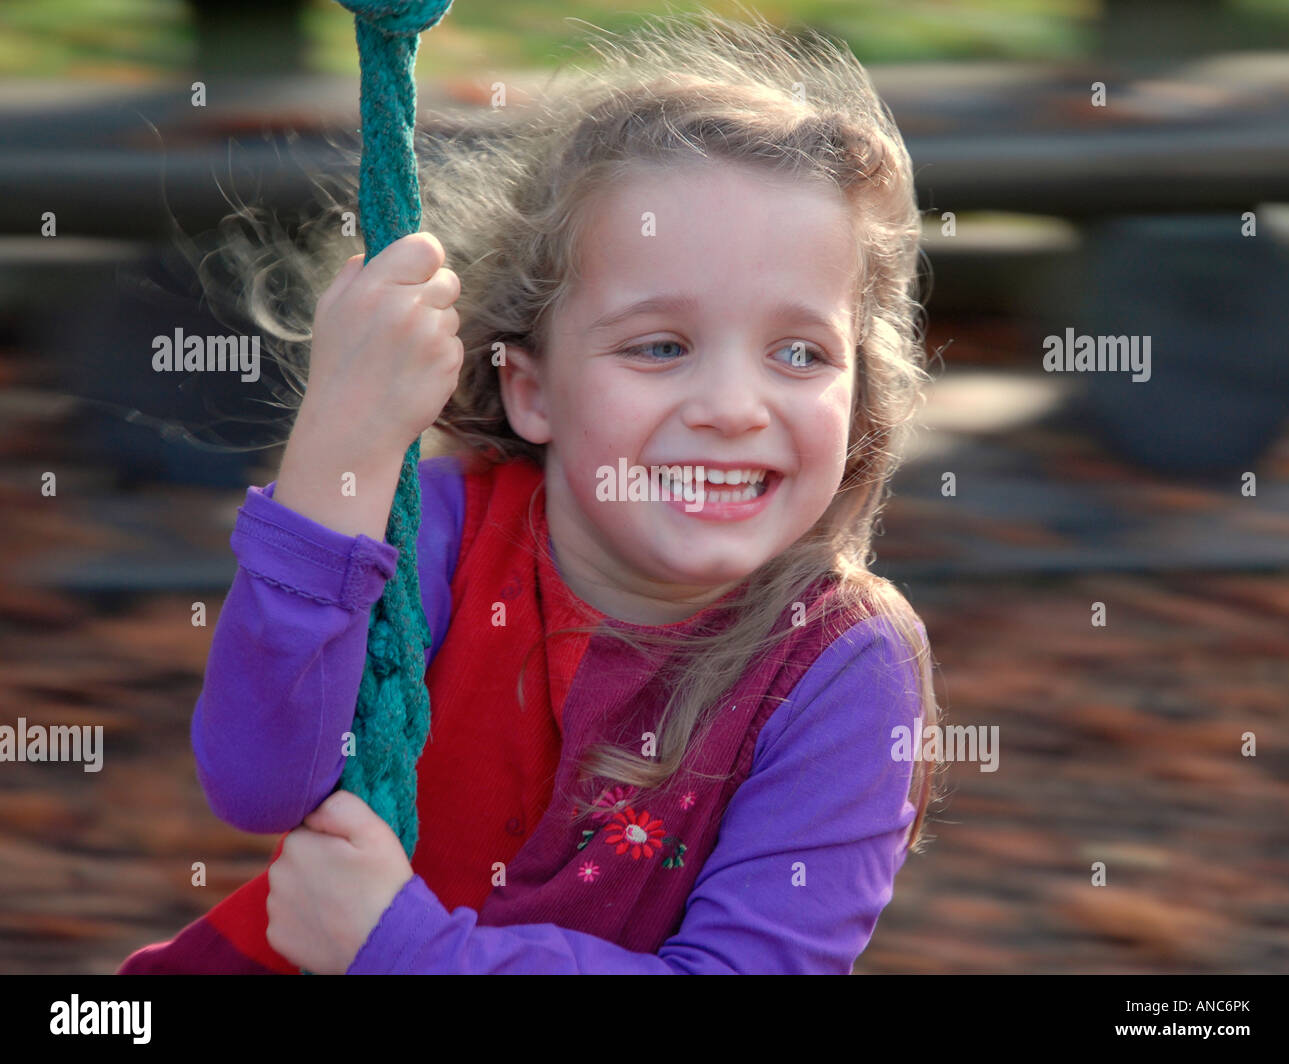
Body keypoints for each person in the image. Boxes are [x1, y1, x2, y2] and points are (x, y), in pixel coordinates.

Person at [117, 9, 943, 975]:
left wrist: (402, 949)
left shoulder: (839, 669)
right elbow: (258, 782)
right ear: (533, 387)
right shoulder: (443, 538)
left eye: (800, 353)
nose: (732, 406)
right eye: (660, 346)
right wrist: (339, 453)